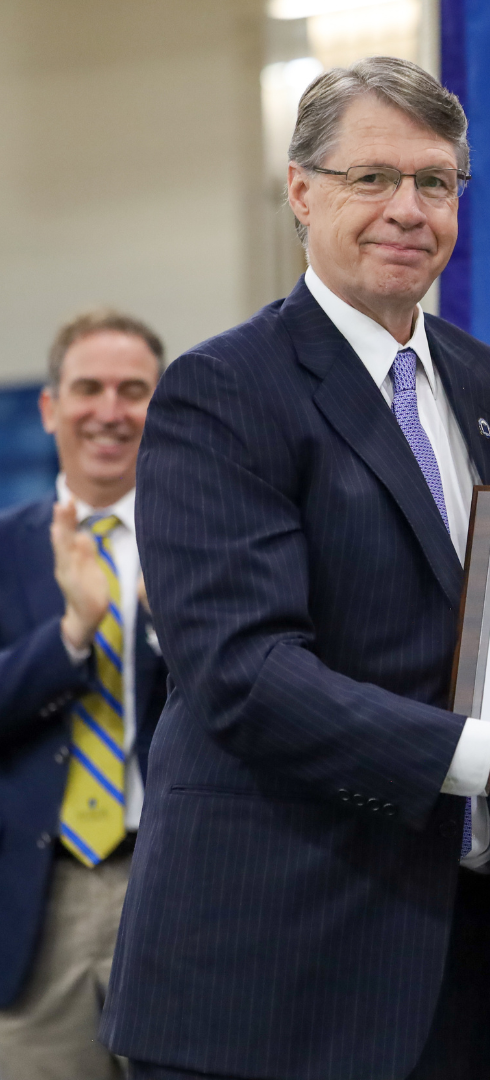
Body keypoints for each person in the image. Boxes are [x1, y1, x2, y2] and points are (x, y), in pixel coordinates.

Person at [100, 57, 490, 1080]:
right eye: (372, 178)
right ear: (302, 192)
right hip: (268, 978)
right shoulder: (221, 391)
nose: (408, 209)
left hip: (462, 965)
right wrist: (487, 757)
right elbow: (245, 673)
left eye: (435, 182)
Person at [0, 309, 169, 1080]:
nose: (110, 410)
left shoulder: (203, 543)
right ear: (49, 407)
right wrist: (72, 632)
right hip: (35, 910)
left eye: (133, 391)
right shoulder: (5, 547)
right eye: (88, 388)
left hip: (172, 891)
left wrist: (173, 629)